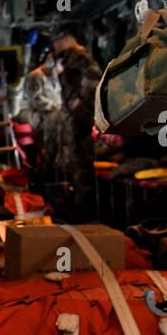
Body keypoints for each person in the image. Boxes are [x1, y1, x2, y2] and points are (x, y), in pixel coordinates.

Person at [50, 24, 103, 221]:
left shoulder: (80, 56)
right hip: (73, 115)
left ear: (66, 38)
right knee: (74, 162)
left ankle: (86, 210)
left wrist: (79, 100)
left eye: (57, 40)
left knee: (82, 163)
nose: (55, 45)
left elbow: (95, 78)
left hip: (80, 115)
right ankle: (78, 204)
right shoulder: (66, 58)